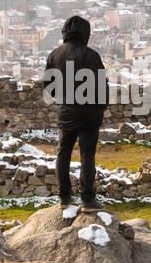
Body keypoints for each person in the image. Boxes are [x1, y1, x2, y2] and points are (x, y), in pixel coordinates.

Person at [44, 15, 106, 211]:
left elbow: (49, 87)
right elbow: (101, 87)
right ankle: (87, 200)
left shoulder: (54, 55)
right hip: (88, 114)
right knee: (87, 155)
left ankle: (64, 197)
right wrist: (99, 110)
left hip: (65, 112)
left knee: (63, 154)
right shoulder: (91, 56)